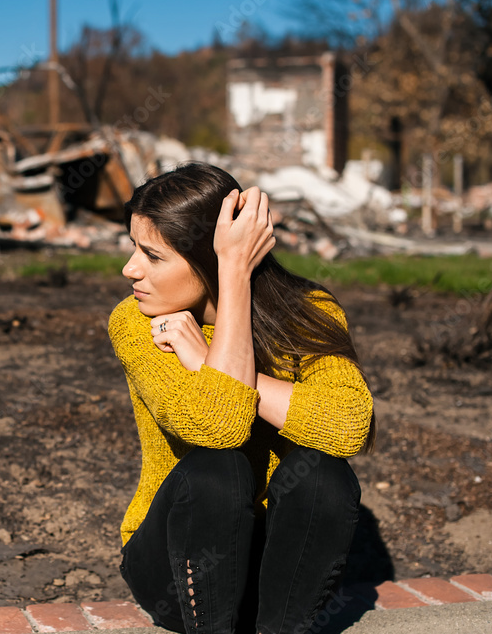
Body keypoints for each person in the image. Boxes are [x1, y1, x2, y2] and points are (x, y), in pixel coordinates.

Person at [107, 162, 374, 634]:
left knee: (325, 475)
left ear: (209, 257)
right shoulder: (138, 323)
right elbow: (218, 427)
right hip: (174, 566)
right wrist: (231, 278)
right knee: (217, 468)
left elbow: (350, 424)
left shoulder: (309, 313)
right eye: (134, 248)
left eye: (152, 255)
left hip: (276, 572)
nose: (130, 269)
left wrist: (210, 350)